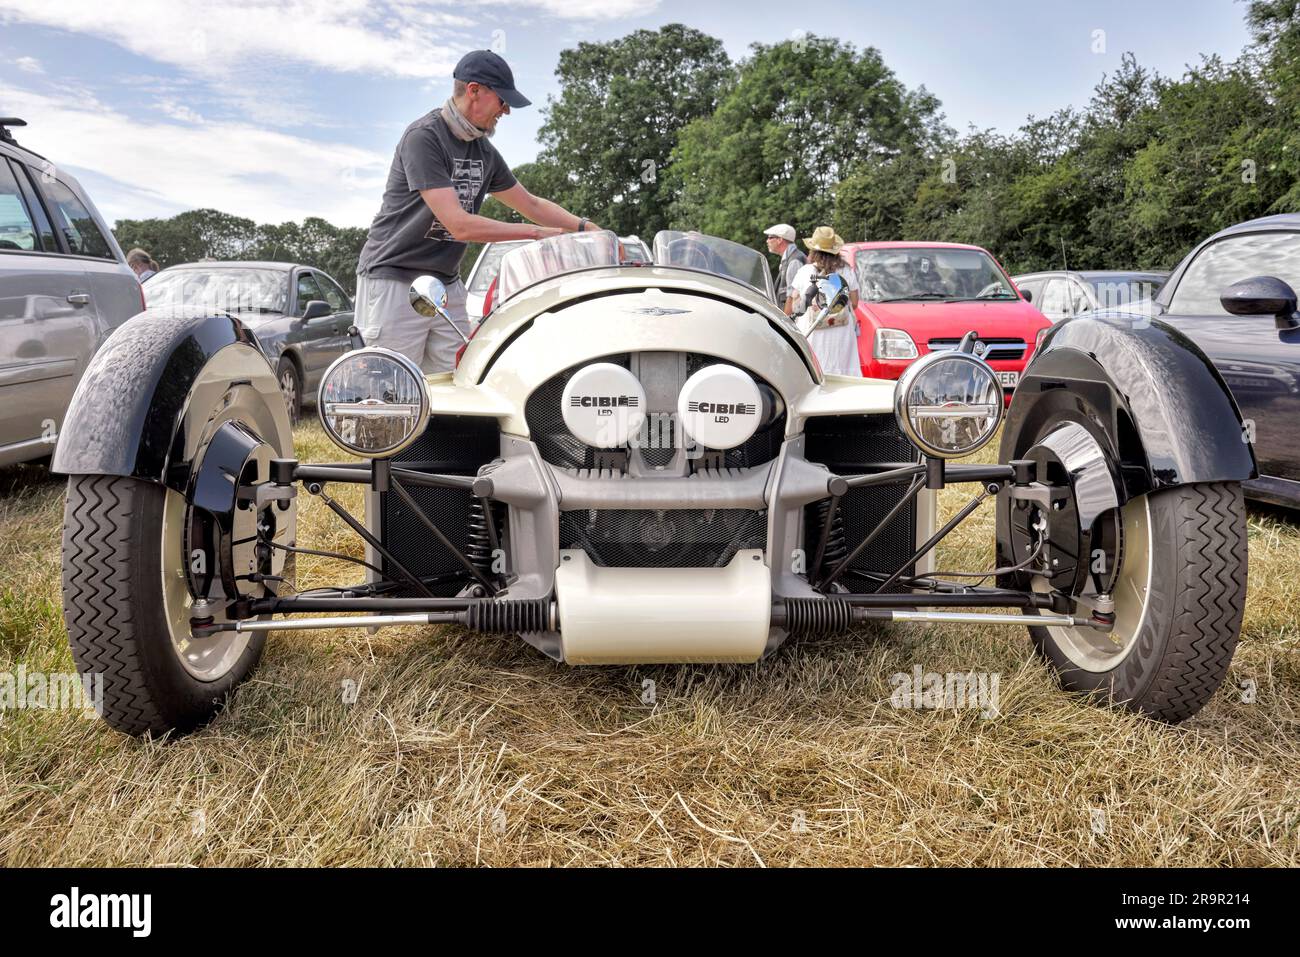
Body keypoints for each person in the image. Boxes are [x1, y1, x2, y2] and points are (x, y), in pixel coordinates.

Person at [355, 50, 599, 374]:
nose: (507, 111)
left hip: (445, 284)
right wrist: (535, 233)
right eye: (502, 100)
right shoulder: (424, 138)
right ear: (474, 91)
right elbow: (459, 226)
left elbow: (531, 204)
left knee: (461, 382)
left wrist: (584, 227)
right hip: (395, 279)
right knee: (392, 389)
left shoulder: (484, 151)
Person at [789, 226, 861, 376]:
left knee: (815, 371)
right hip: (841, 330)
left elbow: (794, 302)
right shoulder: (847, 270)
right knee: (842, 372)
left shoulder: (805, 271)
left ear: (813, 251)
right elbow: (854, 302)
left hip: (812, 329)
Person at [764, 223, 805, 316]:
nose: (767, 241)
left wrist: (783, 322)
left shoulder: (794, 261)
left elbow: (792, 297)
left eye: (770, 237)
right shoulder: (789, 259)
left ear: (780, 240)